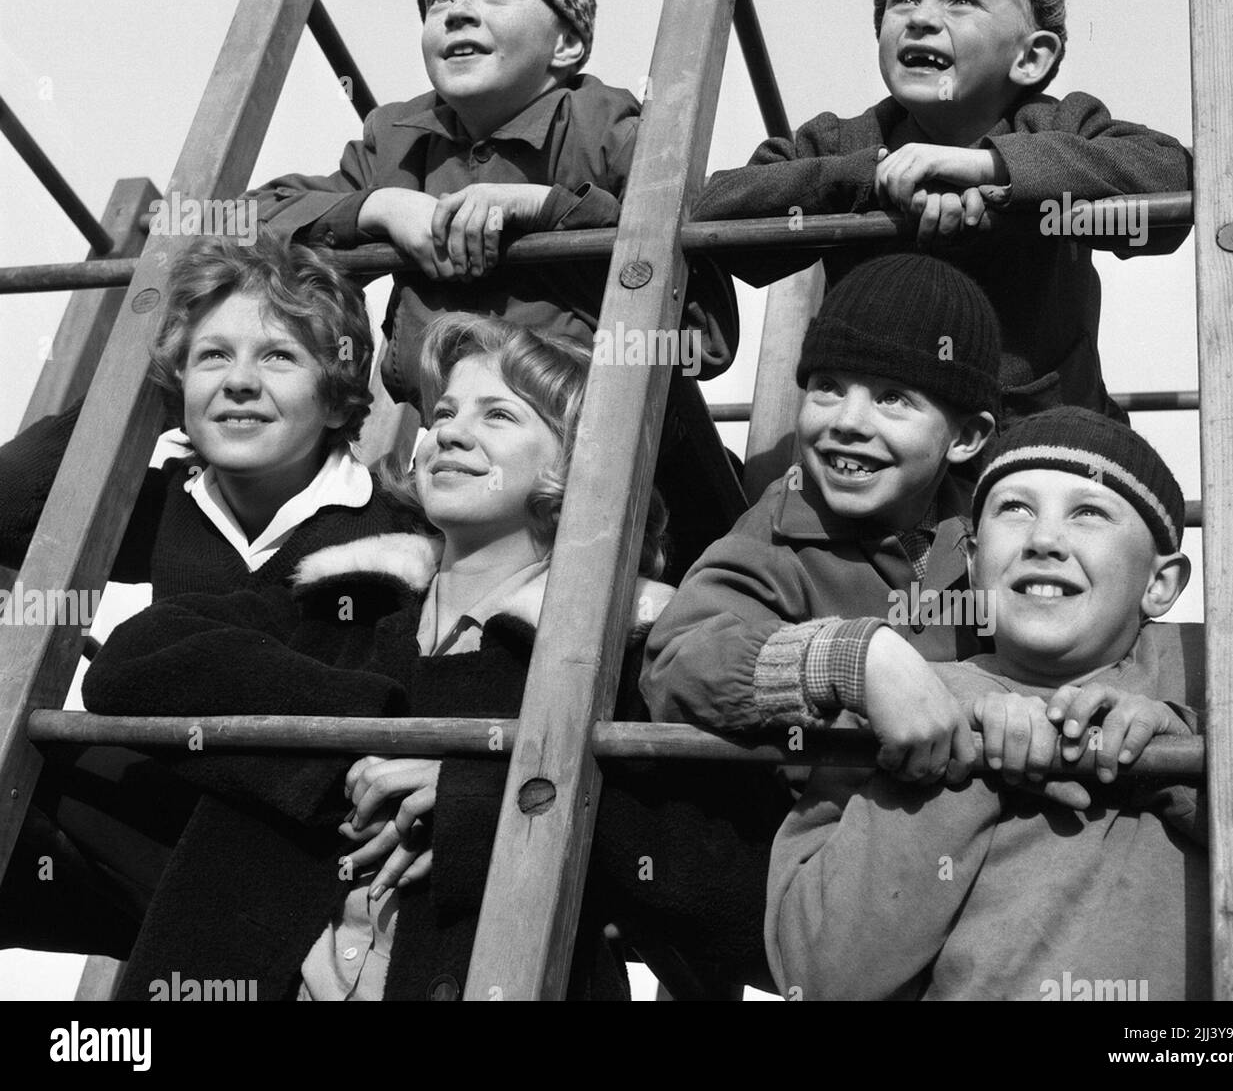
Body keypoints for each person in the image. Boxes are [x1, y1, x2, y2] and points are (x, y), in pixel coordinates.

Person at [82, 316, 786, 1000]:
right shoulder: (339, 598)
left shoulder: (640, 654)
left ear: (582, 462)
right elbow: (131, 661)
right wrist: (367, 741)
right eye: (444, 411)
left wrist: (502, 807)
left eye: (497, 416)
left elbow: (751, 908)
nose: (447, 429)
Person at [244, 0, 740, 579]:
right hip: (459, 466)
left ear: (565, 45)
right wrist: (381, 208)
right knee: (331, 574)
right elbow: (253, 220)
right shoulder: (396, 139)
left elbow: (705, 332)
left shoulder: (607, 127)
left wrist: (545, 209)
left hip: (614, 454)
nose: (457, 11)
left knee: (676, 573)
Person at [0, 232, 420, 957]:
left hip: (308, 856)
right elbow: (7, 506)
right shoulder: (165, 502)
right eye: (213, 356)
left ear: (335, 392)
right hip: (156, 835)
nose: (240, 380)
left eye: (279, 356)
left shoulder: (396, 531)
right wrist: (139, 399)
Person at [766, 407, 1208, 1000]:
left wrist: (1186, 756)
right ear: (972, 564)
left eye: (1089, 512)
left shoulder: (1221, 675)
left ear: (1160, 583)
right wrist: (955, 751)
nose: (1044, 540)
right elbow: (819, 974)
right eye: (1015, 509)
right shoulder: (903, 704)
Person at [693, 0, 1192, 421]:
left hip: (1037, 448)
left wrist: (991, 169)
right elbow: (716, 212)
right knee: (777, 506)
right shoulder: (843, 142)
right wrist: (871, 176)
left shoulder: (1062, 126)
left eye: (961, 1)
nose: (922, 18)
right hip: (885, 455)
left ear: (1031, 58)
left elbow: (1172, 180)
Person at [642, 252, 998, 784]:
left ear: (965, 438)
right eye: (827, 385)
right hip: (836, 834)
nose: (848, 421)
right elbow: (679, 662)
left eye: (893, 398)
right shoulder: (777, 532)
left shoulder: (998, 533)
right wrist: (843, 660)